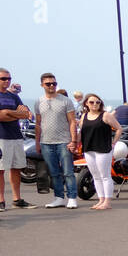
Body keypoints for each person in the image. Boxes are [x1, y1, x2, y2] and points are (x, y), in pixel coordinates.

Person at [35, 72, 80, 209]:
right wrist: (37, 142)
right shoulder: (39, 101)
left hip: (64, 141)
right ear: (42, 85)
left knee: (68, 172)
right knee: (54, 173)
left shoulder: (65, 101)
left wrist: (73, 141)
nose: (51, 86)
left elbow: (72, 121)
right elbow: (38, 123)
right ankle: (59, 197)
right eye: (48, 84)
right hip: (46, 142)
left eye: (54, 83)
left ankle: (72, 197)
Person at [0, 67, 33, 211]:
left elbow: (27, 114)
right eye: (3, 79)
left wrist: (7, 112)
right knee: (0, 169)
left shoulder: (13, 96)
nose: (7, 81)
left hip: (15, 136)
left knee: (16, 168)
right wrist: (16, 114)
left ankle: (17, 199)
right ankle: (0, 201)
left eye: (9, 78)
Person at [79, 94, 123, 210]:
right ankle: (101, 199)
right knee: (96, 176)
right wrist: (75, 143)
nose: (95, 104)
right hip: (89, 148)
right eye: (92, 102)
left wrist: (113, 143)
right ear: (86, 104)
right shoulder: (84, 116)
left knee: (105, 176)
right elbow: (81, 132)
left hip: (103, 149)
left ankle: (107, 201)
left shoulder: (106, 115)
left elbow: (119, 128)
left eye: (97, 102)